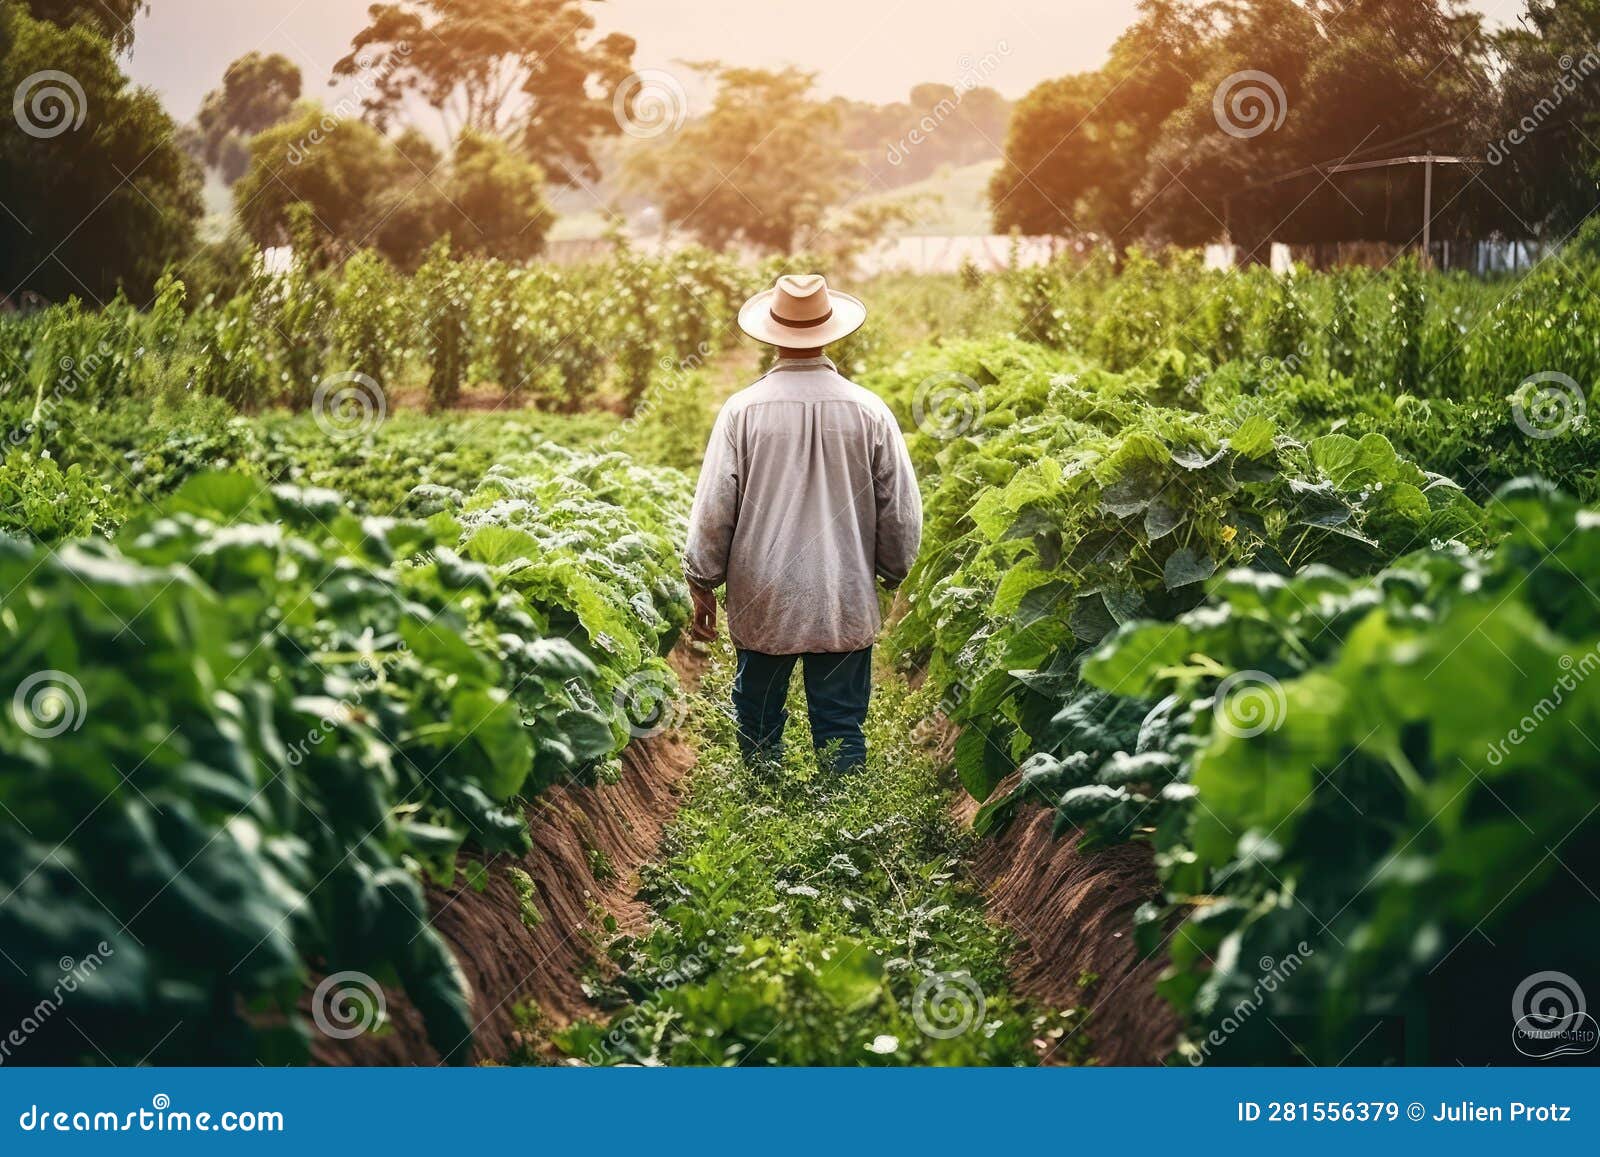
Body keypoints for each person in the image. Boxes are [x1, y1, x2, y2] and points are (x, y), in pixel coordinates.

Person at [683, 273, 922, 772]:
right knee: (841, 723)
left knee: (758, 719)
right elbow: (899, 509)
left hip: (763, 593)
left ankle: (762, 800)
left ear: (771, 335)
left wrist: (702, 581)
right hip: (842, 591)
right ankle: (843, 809)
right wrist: (892, 572)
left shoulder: (741, 411)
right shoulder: (870, 411)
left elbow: (714, 507)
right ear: (830, 332)